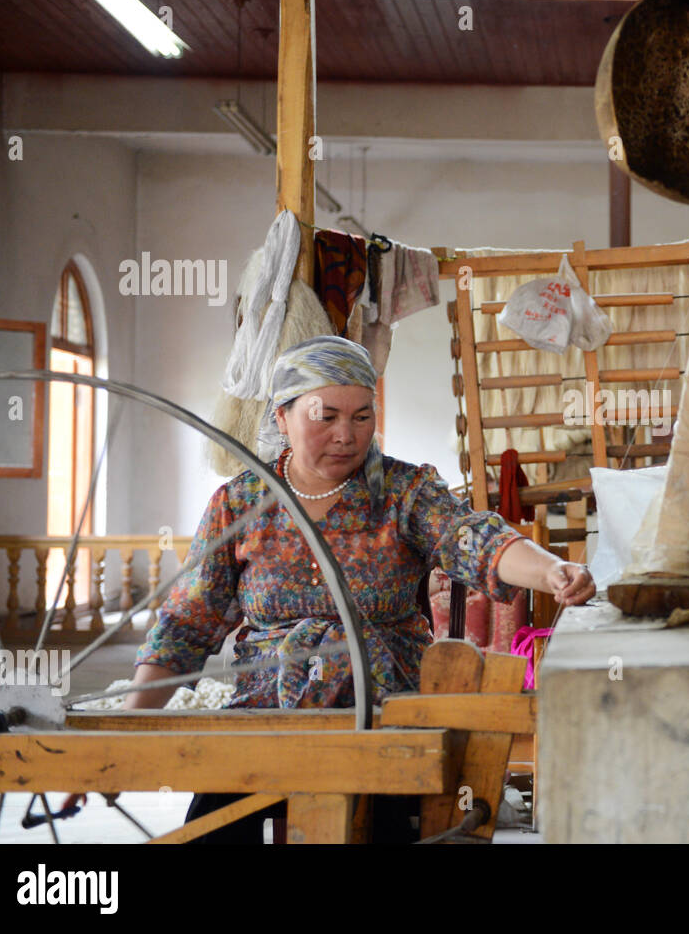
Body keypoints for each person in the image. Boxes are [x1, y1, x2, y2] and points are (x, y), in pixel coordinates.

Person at [121, 335, 595, 841]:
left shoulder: (403, 492)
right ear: (281, 417)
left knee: (381, 805)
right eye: (326, 416)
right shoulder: (240, 503)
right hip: (269, 708)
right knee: (215, 820)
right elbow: (184, 625)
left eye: (362, 416)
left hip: (387, 706)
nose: (346, 435)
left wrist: (550, 570)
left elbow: (474, 538)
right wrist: (122, 739)